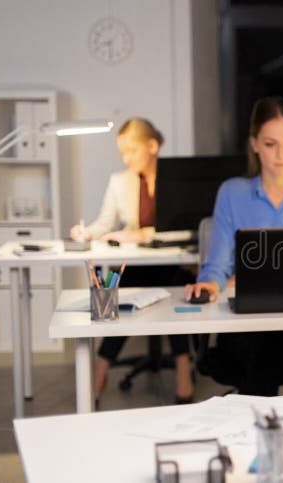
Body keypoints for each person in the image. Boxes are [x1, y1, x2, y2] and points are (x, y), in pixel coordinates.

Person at [185, 96, 283, 396]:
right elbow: (217, 263)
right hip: (251, 322)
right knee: (260, 358)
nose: (282, 154)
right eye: (270, 144)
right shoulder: (233, 192)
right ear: (254, 144)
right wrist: (208, 284)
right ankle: (256, 436)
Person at [71, 118, 195, 404]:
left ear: (152, 146)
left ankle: (182, 368)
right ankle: (100, 369)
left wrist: (142, 234)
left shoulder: (176, 179)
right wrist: (87, 232)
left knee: (176, 294)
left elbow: (188, 229)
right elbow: (105, 223)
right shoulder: (119, 181)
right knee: (114, 297)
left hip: (174, 264)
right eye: (122, 152)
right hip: (137, 265)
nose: (126, 159)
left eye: (132, 151)